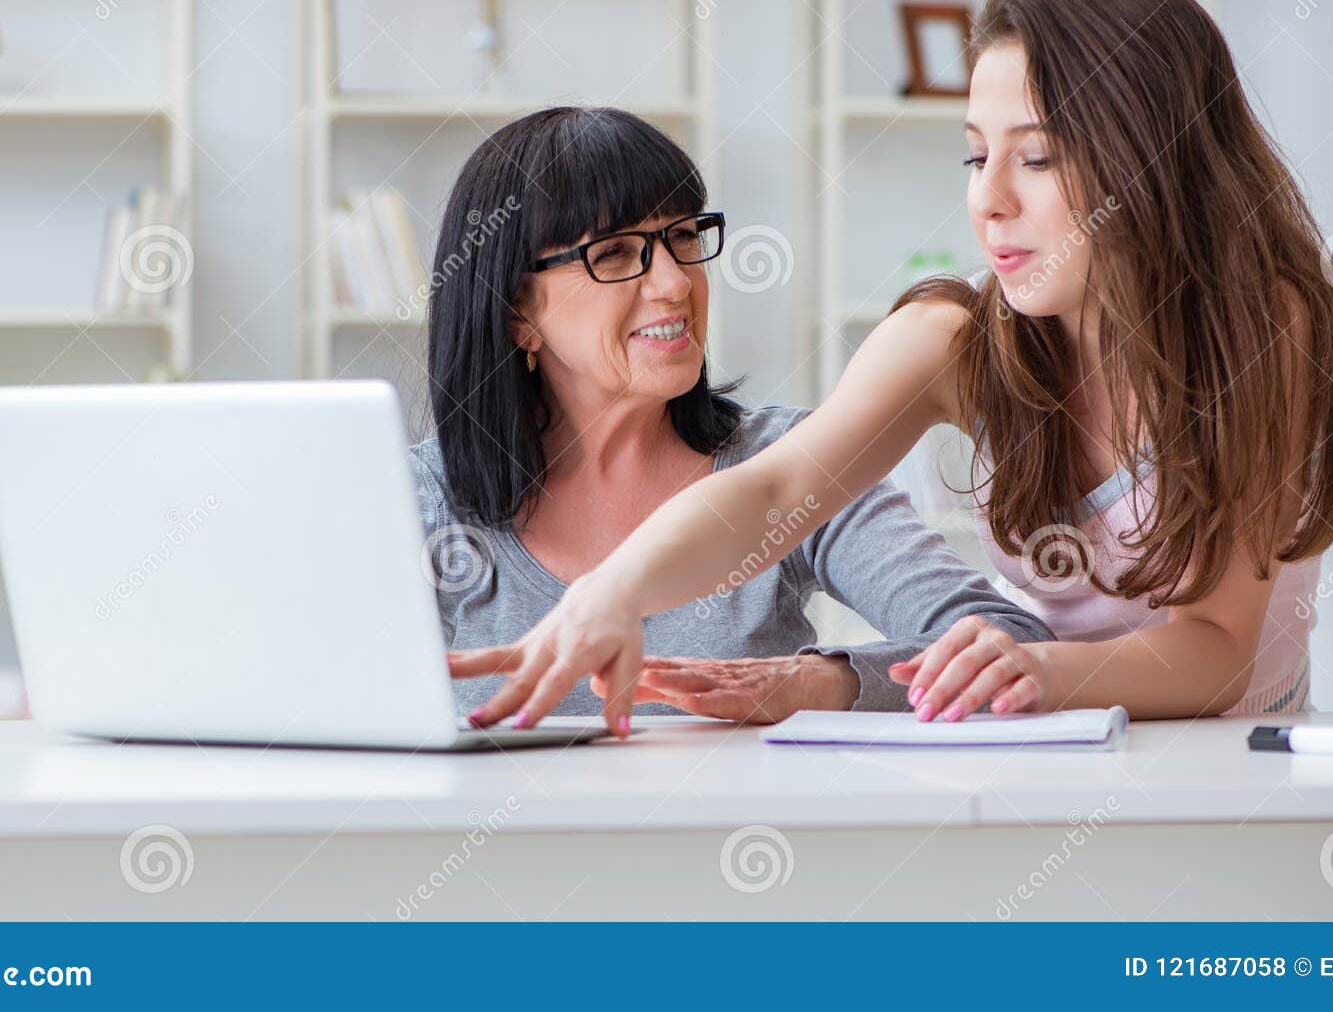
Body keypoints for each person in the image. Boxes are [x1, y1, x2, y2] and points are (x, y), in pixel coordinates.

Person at [458, 0, 1333, 737]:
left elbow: (1214, 649)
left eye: (1038, 158)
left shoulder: (1265, 326)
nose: (990, 200)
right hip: (1059, 746)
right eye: (977, 158)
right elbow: (775, 490)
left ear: (1149, 160)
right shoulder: (959, 338)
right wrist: (614, 591)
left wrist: (1043, 672)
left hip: (1237, 763)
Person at [413, 106, 1052, 731]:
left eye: (684, 236)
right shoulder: (420, 495)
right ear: (517, 311)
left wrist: (821, 682)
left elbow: (1009, 642)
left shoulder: (788, 459)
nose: (673, 282)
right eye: (612, 253)